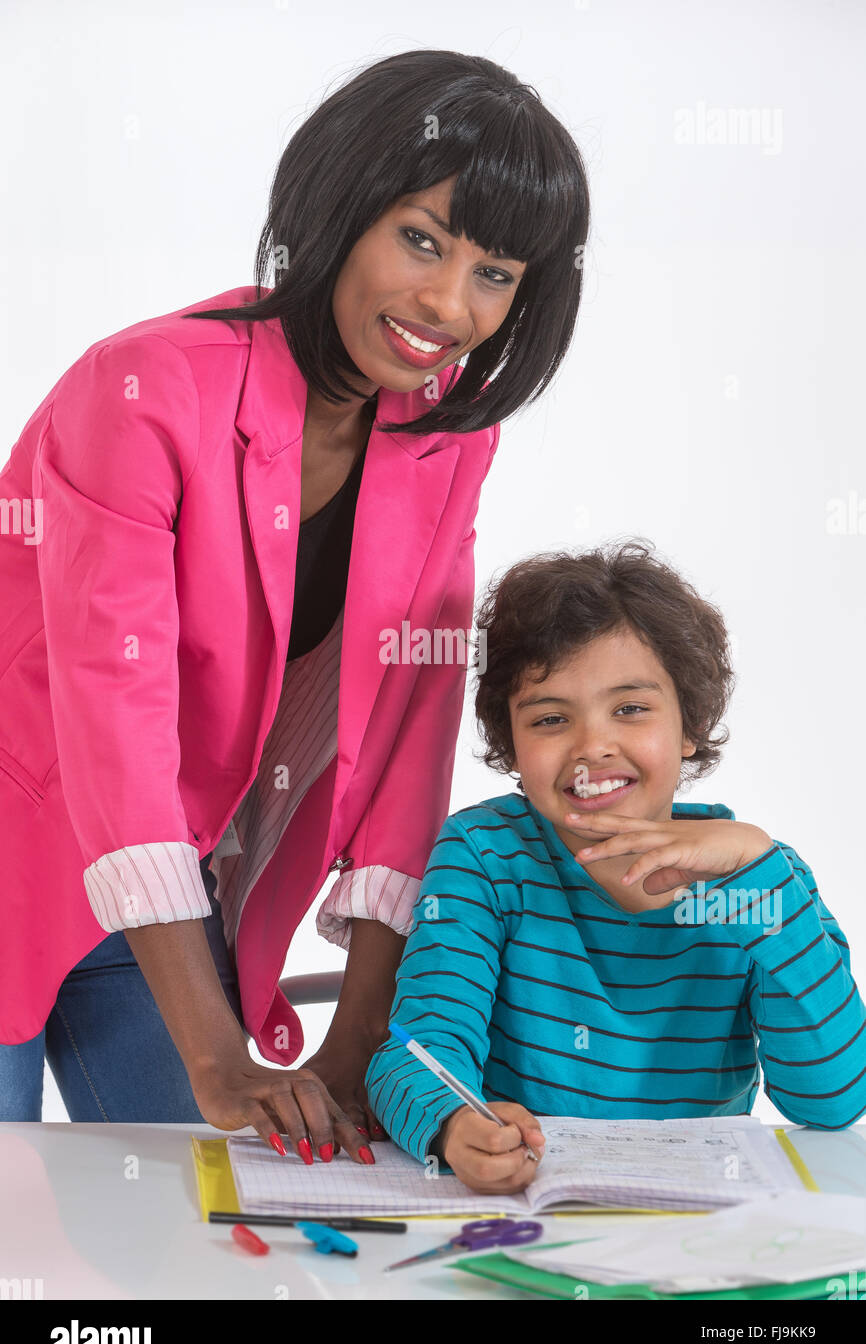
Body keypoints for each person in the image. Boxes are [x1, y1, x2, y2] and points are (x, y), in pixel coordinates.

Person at [0, 49, 590, 1156]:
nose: (444, 305)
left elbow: (412, 714)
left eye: (493, 272)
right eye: (421, 238)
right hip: (23, 837)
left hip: (156, 890)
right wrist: (220, 1056)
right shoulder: (139, 392)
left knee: (202, 1213)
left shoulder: (443, 431)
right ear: (340, 203)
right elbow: (111, 720)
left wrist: (361, 1032)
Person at [366, 540, 866, 1193]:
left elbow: (829, 1102)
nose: (593, 746)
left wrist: (756, 866)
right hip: (522, 1216)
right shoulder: (485, 856)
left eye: (630, 708)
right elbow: (417, 1049)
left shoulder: (762, 879)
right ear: (511, 746)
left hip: (697, 1228)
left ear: (690, 725)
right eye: (550, 718)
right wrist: (455, 1123)